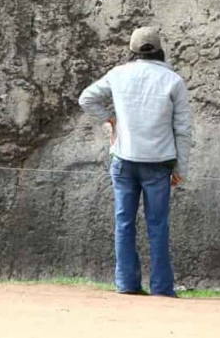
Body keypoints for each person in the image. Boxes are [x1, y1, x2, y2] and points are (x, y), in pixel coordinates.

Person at [78, 25, 193, 297]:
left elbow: (86, 99)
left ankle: (127, 284)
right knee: (158, 226)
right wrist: (181, 168)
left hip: (124, 160)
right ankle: (162, 287)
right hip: (159, 162)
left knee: (124, 222)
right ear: (160, 49)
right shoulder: (173, 81)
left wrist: (110, 119)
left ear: (131, 50)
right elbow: (183, 129)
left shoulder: (118, 74)